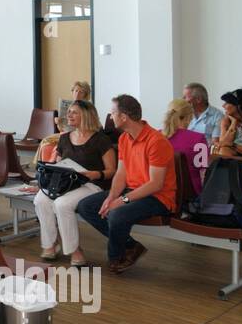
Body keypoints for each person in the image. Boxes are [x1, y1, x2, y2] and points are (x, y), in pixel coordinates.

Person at [75, 95, 176, 274]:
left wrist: (122, 200)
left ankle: (116, 258)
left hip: (157, 197)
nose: (110, 116)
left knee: (116, 214)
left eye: (112, 112)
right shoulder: (124, 139)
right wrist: (112, 196)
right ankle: (131, 245)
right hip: (134, 191)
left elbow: (155, 184)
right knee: (86, 206)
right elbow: (121, 173)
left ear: (124, 117)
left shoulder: (156, 141)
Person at [35, 99, 114, 266]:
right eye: (69, 111)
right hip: (67, 183)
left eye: (74, 112)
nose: (68, 115)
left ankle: (75, 250)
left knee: (62, 204)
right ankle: (50, 244)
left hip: (91, 185)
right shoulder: (64, 138)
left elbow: (111, 171)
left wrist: (95, 174)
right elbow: (56, 164)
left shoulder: (101, 140)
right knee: (40, 200)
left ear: (86, 115)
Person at [163, 98, 209, 197]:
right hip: (190, 193)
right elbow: (203, 173)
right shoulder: (198, 138)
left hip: (162, 192)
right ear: (189, 118)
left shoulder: (155, 137)